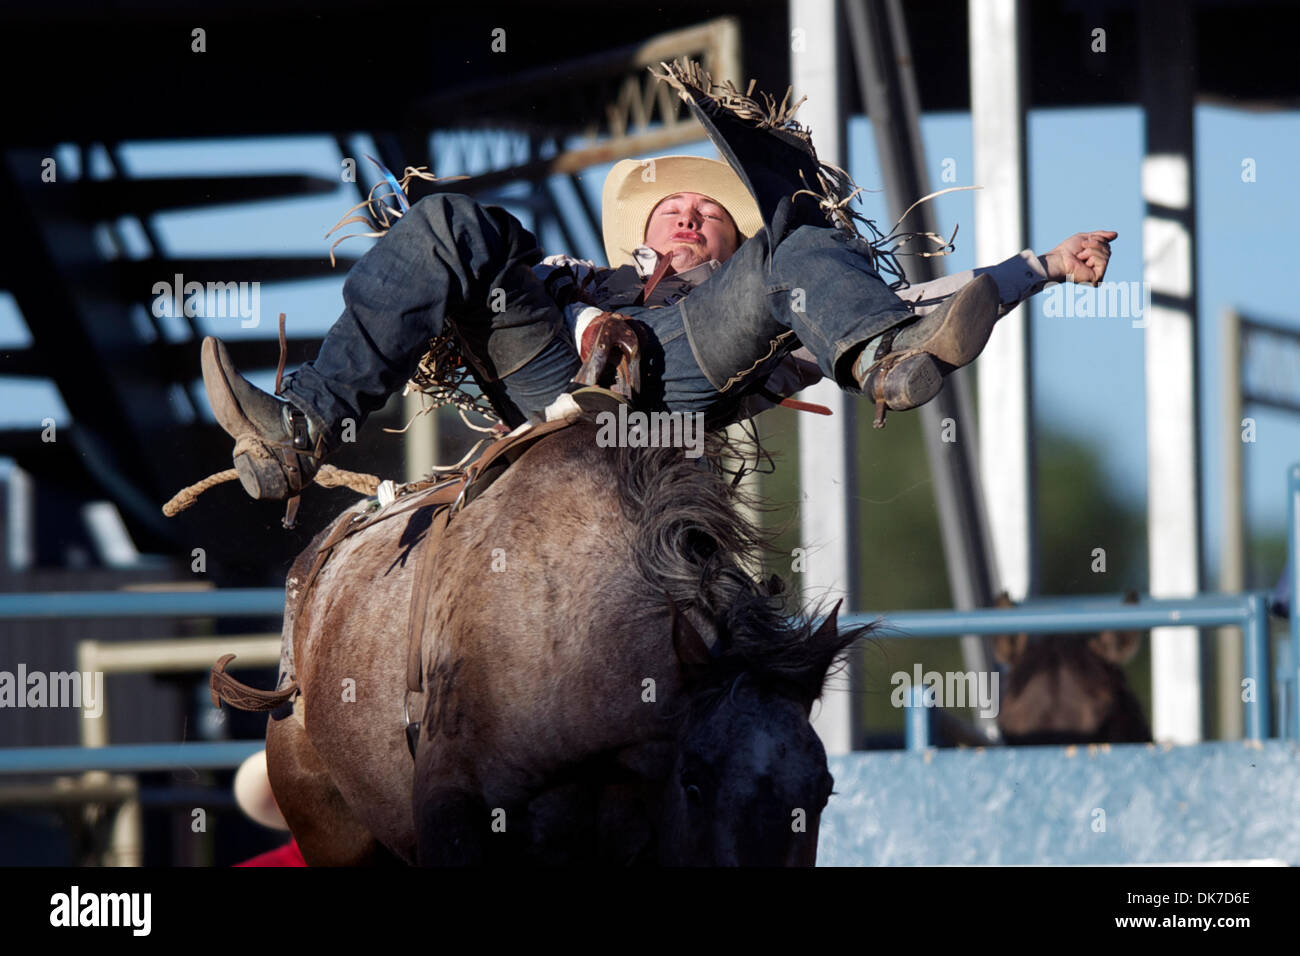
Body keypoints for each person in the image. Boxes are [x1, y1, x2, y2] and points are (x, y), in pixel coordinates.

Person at [201, 60, 1114, 501]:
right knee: (450, 222)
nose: (686, 213)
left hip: (683, 382)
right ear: (640, 229)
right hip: (550, 379)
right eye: (671, 207)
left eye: (708, 210)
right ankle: (305, 425)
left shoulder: (767, 277)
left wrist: (1039, 266)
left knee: (800, 241)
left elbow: (925, 294)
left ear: (725, 237)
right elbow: (509, 285)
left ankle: (882, 363)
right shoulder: (578, 273)